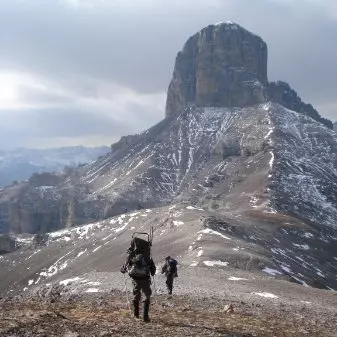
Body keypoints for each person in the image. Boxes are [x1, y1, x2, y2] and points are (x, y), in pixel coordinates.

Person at [121, 238, 156, 322]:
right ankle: (145, 317)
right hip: (145, 277)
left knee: (136, 293)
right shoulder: (147, 255)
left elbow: (124, 267)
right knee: (146, 295)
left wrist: (124, 270)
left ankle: (136, 314)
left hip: (135, 278)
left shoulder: (132, 254)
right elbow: (153, 269)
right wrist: (152, 272)